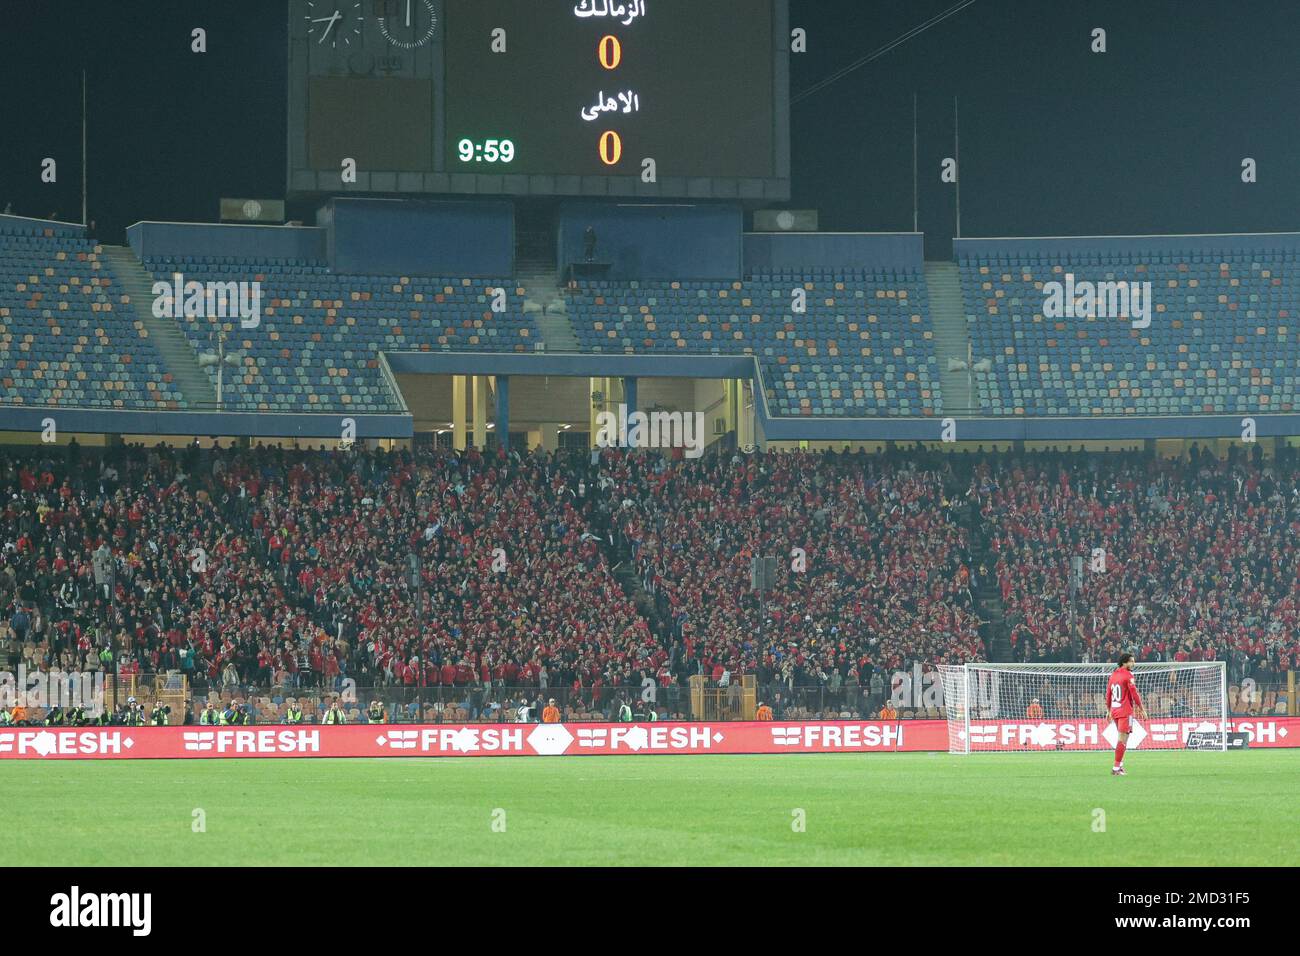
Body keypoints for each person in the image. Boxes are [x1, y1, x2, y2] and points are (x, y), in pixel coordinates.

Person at [1106, 652, 1146, 776]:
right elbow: (1134, 693)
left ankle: (1120, 766)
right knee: (1122, 740)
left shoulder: (1113, 675)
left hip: (1115, 710)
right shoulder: (1128, 675)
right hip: (1125, 711)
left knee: (1124, 739)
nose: (1133, 663)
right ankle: (1116, 768)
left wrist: (1108, 710)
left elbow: (1108, 694)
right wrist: (1141, 708)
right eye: (1131, 661)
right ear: (1124, 662)